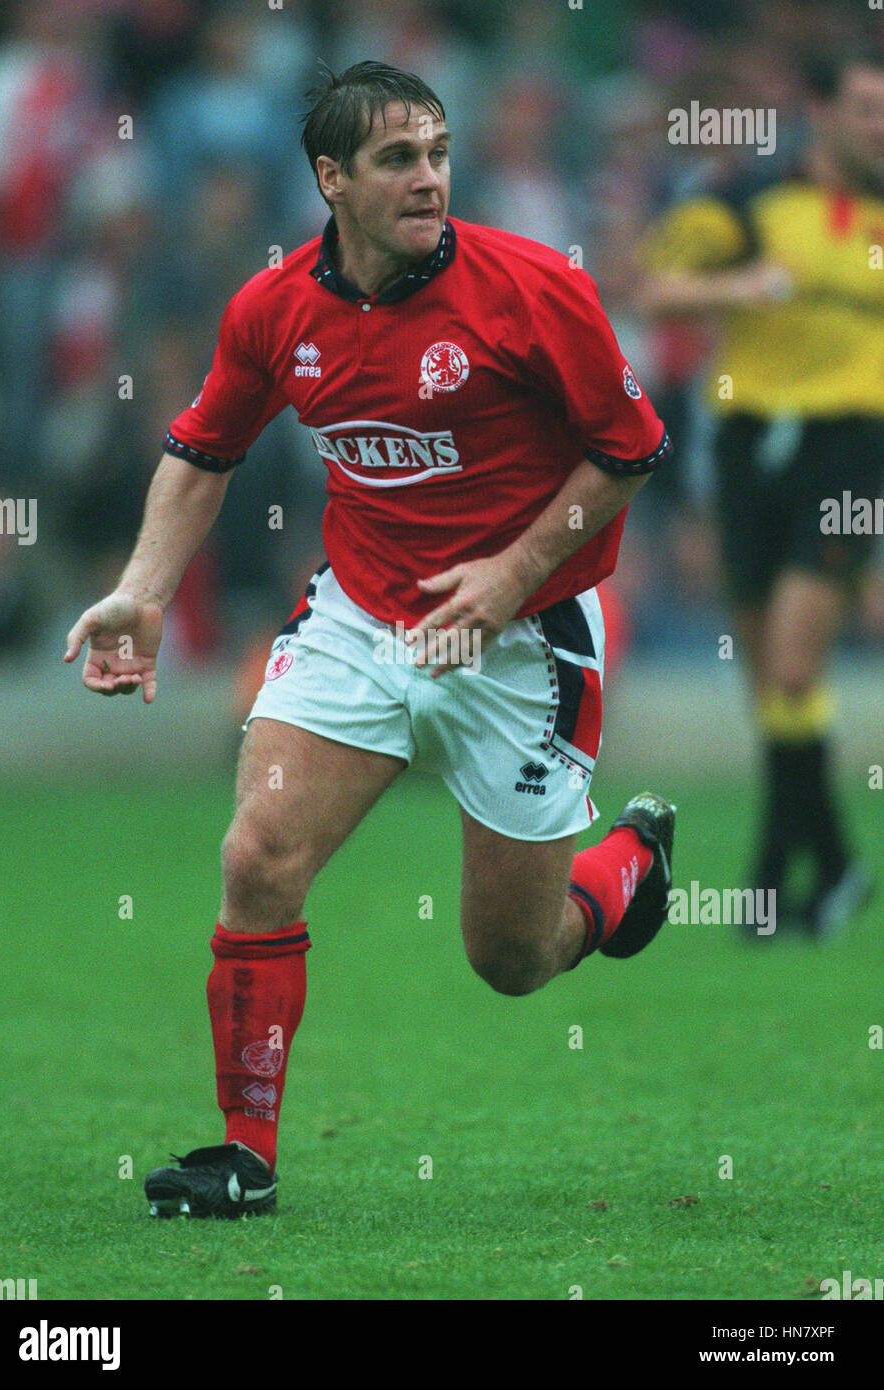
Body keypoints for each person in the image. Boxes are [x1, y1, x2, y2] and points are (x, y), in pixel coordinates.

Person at [65, 62, 675, 1219]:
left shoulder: (535, 289)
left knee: (511, 959)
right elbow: (204, 450)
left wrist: (511, 574)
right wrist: (143, 589)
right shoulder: (275, 307)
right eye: (399, 159)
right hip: (359, 617)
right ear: (331, 179)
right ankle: (243, 1156)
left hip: (524, 642)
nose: (430, 178)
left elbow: (631, 450)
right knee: (257, 857)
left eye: (440, 152)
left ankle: (629, 867)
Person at [638, 51, 884, 937]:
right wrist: (736, 286)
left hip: (851, 453)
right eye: (864, 107)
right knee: (768, 687)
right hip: (748, 446)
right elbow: (652, 287)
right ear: (819, 110)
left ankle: (772, 882)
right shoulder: (745, 204)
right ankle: (825, 870)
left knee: (789, 666)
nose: (878, 127)